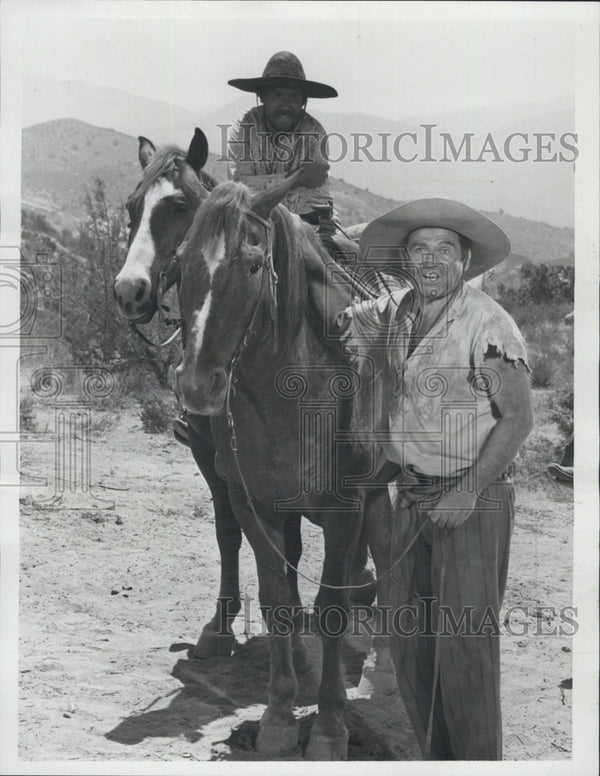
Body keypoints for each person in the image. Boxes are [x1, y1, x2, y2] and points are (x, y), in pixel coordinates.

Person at [339, 198, 534, 760]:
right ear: (406, 259)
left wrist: (469, 490)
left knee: (465, 646)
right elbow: (347, 318)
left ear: (464, 260)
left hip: (472, 500)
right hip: (412, 497)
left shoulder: (488, 323)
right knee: (409, 640)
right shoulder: (399, 311)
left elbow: (519, 419)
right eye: (419, 249)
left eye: (444, 250)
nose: (430, 260)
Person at [227, 51, 358, 260]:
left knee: (340, 270)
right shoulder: (243, 127)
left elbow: (314, 199)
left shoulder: (314, 133)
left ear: (303, 101)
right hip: (251, 223)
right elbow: (241, 188)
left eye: (294, 96)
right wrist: (296, 177)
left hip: (306, 228)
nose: (285, 104)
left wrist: (273, 187)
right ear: (262, 97)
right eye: (277, 95)